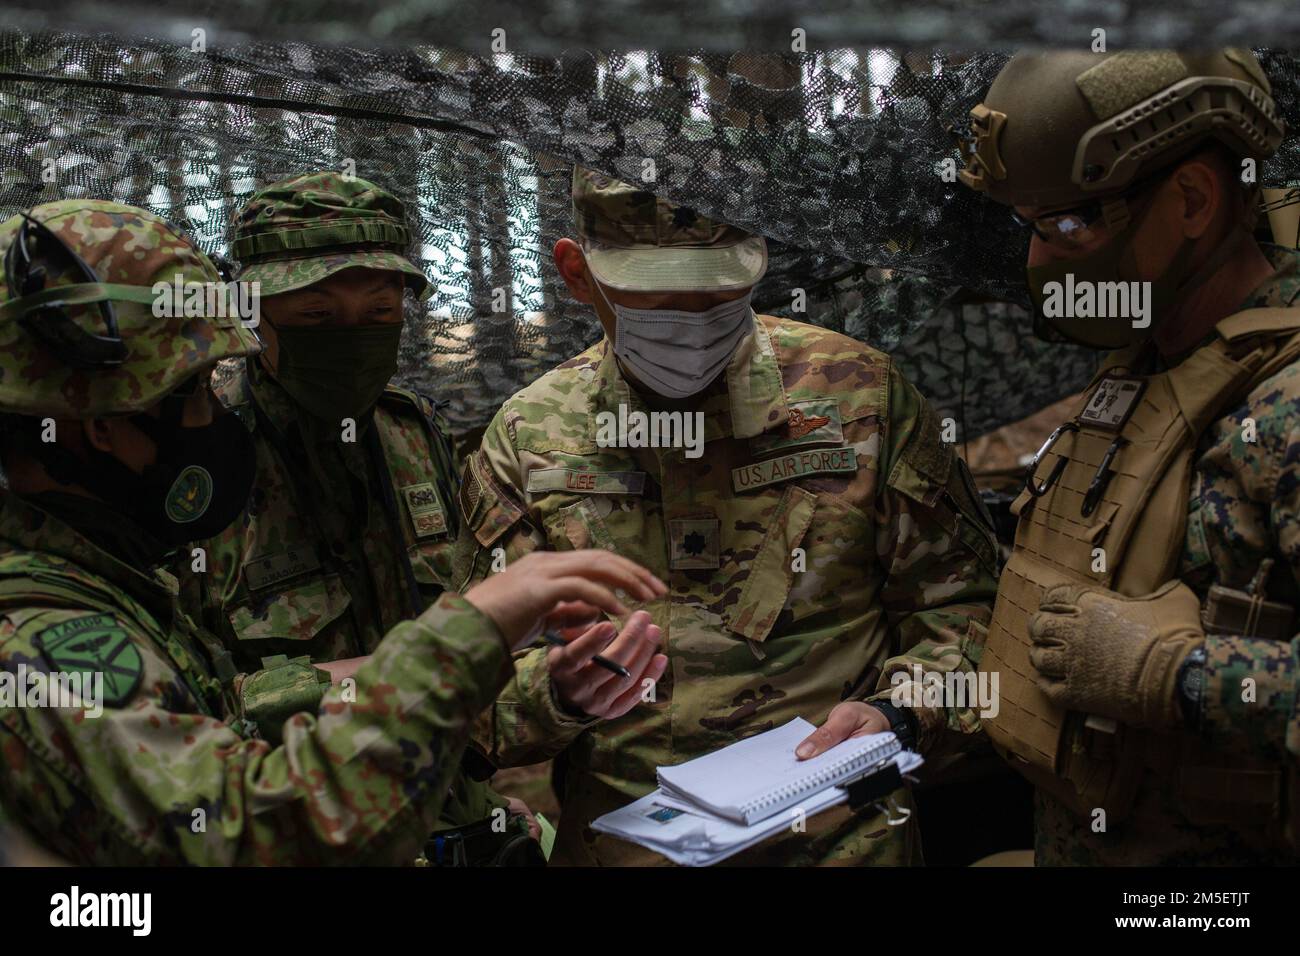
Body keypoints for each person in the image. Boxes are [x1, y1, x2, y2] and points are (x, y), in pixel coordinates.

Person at [0, 198, 666, 864]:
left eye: (380, 312)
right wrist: (472, 631)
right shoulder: (39, 637)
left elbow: (223, 705)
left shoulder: (105, 570)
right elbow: (247, 833)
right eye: (195, 390)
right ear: (101, 426)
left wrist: (511, 721)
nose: (353, 340)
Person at [452, 167, 1000, 865]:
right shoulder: (530, 437)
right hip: (622, 846)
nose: (689, 328)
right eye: (654, 304)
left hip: (846, 843)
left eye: (716, 299)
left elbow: (973, 618)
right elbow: (463, 688)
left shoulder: (860, 397)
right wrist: (558, 693)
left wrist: (902, 712)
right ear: (576, 273)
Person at [957, 48, 1300, 863]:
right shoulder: (1151, 363)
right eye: (1028, 227)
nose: (1042, 263)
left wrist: (1171, 672)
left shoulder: (1283, 409)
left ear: (1191, 200)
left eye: (1070, 224)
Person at [180, 171, 530, 863]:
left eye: (379, 314)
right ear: (255, 315)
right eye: (316, 317)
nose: (353, 338)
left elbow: (453, 618)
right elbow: (179, 709)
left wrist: (471, 794)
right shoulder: (197, 459)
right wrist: (362, 678)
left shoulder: (410, 432)